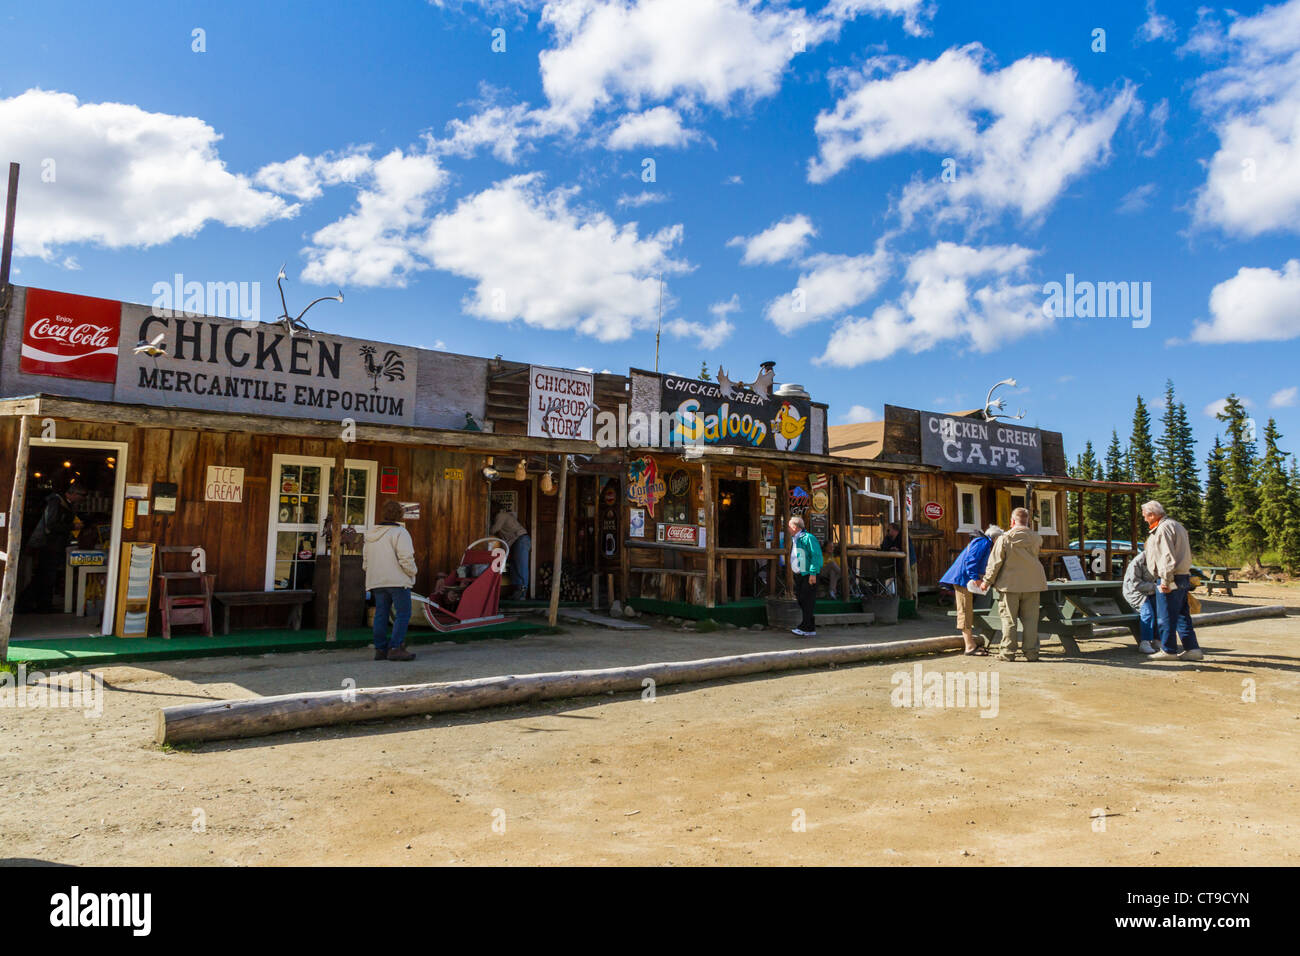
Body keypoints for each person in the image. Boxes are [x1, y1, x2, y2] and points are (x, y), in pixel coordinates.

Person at [981, 507, 1048, 662]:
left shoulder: (1005, 538)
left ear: (1012, 521)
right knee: (1031, 620)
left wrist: (987, 581)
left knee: (1009, 620)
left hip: (1010, 584)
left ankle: (1008, 653)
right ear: (1028, 520)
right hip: (1033, 584)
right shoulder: (1036, 537)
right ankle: (1031, 653)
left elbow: (995, 563)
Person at [1141, 500, 1203, 661]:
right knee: (1183, 615)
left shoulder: (1162, 529)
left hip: (1170, 577)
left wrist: (1165, 580)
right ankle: (1192, 649)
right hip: (1183, 575)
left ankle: (1168, 650)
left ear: (1152, 514)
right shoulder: (1177, 525)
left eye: (1145, 516)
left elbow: (1166, 556)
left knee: (1165, 616)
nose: (1144, 520)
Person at [363, 499, 418, 661]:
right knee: (403, 614)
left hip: (377, 580)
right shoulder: (400, 533)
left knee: (381, 613)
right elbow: (406, 558)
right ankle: (395, 647)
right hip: (398, 580)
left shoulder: (371, 534)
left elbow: (365, 561)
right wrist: (412, 572)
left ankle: (380, 649)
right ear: (399, 515)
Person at [20, 483, 86, 613]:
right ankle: (26, 605)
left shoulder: (63, 503)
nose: (82, 499)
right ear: (74, 493)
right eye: (81, 496)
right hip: (48, 545)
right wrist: (73, 527)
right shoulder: (56, 501)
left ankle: (41, 605)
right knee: (44, 576)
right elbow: (51, 524)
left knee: (46, 576)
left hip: (53, 544)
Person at [939, 524, 1003, 655]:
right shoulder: (983, 542)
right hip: (963, 579)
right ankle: (969, 646)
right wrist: (976, 578)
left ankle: (970, 643)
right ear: (996, 538)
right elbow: (971, 561)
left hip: (965, 578)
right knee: (965, 610)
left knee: (967, 610)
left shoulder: (983, 542)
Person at [788, 515, 823, 637]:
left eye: (789, 526)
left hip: (809, 574)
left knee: (807, 600)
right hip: (800, 573)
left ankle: (805, 627)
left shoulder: (808, 538)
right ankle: (810, 627)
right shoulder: (796, 538)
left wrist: (813, 573)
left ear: (794, 527)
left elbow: (816, 556)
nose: (787, 528)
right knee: (802, 599)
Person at [1122, 550, 1159, 654]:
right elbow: (1136, 585)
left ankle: (1157, 640)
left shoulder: (1157, 559)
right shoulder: (1137, 563)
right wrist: (1156, 587)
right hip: (1135, 593)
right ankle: (1145, 642)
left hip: (1151, 591)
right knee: (1148, 613)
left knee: (1160, 611)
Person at [489, 505, 530, 597]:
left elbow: (493, 530)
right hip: (516, 541)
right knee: (515, 566)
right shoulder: (502, 517)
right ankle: (517, 593)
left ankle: (522, 592)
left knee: (520, 566)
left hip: (520, 539)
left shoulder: (501, 515)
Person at [880, 521, 917, 595]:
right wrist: (891, 549)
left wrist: (899, 550)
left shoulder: (904, 537)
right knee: (899, 586)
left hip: (909, 563)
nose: (887, 532)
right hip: (897, 564)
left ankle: (912, 603)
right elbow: (883, 547)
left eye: (888, 530)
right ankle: (901, 602)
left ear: (895, 530)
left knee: (910, 585)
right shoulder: (888, 538)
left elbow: (908, 550)